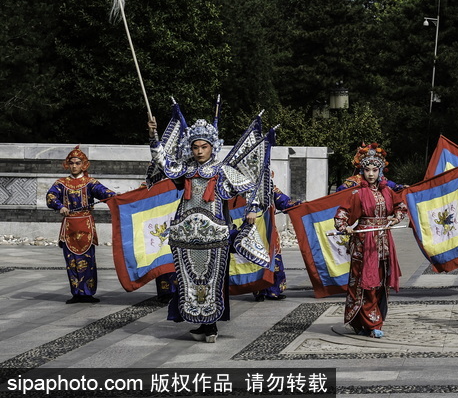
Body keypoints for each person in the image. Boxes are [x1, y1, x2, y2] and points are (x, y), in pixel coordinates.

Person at [147, 100, 271, 343]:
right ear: (190, 148)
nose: (200, 151)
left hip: (215, 236)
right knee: (188, 279)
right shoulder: (186, 168)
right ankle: (201, 324)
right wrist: (152, 135)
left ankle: (211, 324)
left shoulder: (221, 170)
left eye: (204, 147)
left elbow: (252, 185)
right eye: (195, 147)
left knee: (212, 280)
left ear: (212, 147)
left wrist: (253, 209)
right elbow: (164, 162)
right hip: (185, 235)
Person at [333, 143, 408, 338]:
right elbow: (341, 215)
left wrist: (395, 218)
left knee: (381, 283)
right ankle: (372, 322)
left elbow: (401, 207)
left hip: (383, 244)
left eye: (375, 170)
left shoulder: (387, 192)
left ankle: (373, 319)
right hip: (363, 244)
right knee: (366, 285)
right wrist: (345, 227)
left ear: (380, 171)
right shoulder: (357, 193)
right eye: (367, 170)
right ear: (362, 171)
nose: (371, 174)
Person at [46, 146, 117, 304]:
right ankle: (76, 293)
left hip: (85, 224)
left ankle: (88, 293)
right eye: (72, 163)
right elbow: (50, 197)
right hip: (69, 226)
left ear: (83, 164)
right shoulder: (61, 183)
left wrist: (120, 197)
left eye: (78, 163)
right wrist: (60, 206)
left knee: (88, 260)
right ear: (68, 164)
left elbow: (106, 193)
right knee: (71, 260)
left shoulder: (90, 183)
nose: (74, 166)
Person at [253, 185, 303, 302]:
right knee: (256, 256)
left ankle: (274, 291)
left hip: (270, 227)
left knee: (275, 258)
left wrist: (298, 204)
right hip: (253, 228)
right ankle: (259, 291)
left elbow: (283, 201)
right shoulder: (246, 185)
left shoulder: (269, 186)